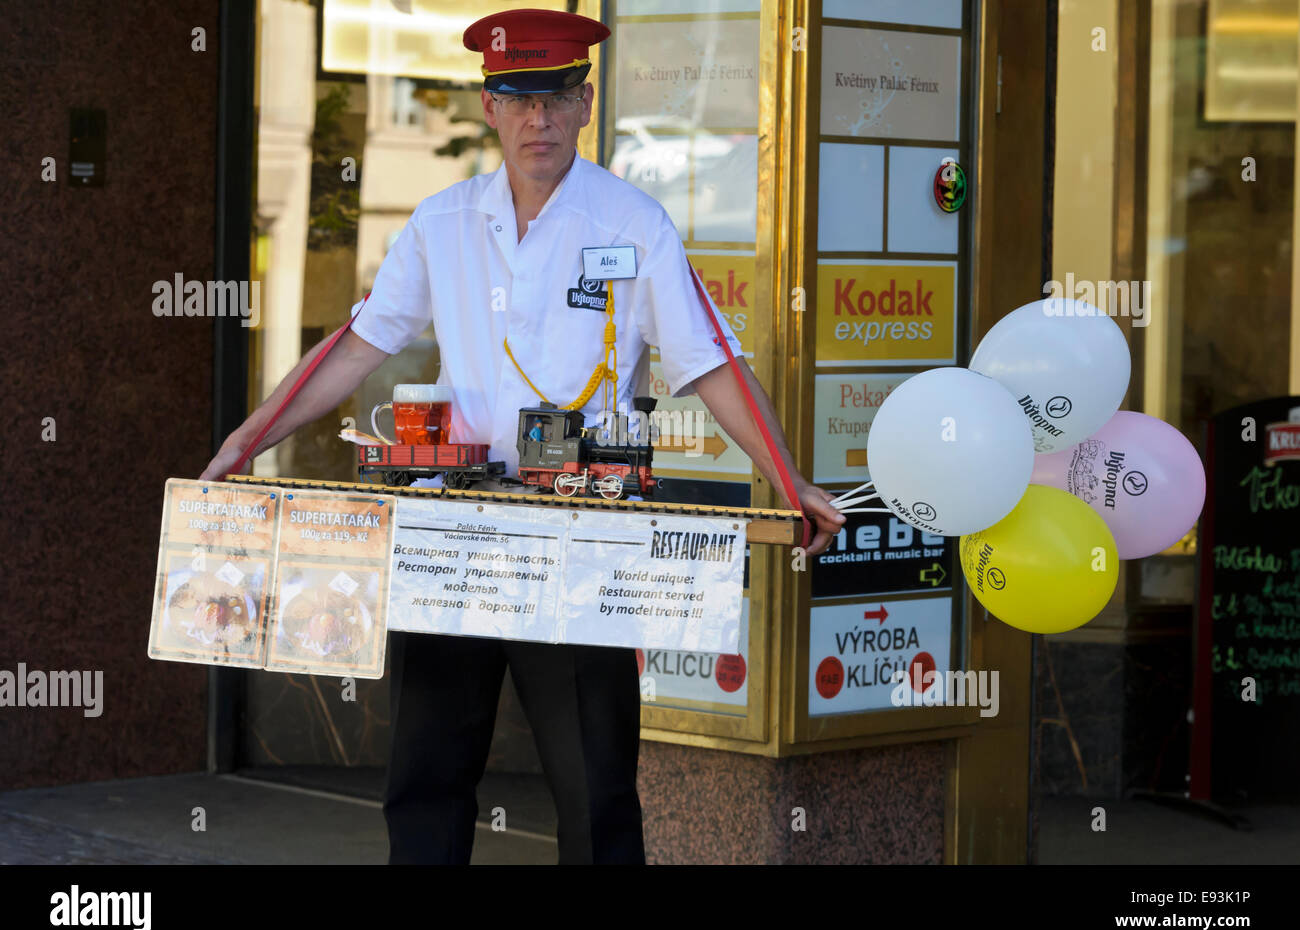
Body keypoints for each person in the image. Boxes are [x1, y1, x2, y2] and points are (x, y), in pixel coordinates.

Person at [201, 8, 844, 864]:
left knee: (597, 791)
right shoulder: (441, 222)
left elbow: (710, 361)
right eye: (516, 97)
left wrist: (787, 477)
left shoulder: (632, 222)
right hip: (456, 534)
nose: (536, 119)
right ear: (489, 108)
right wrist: (249, 438)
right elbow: (357, 345)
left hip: (581, 535)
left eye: (553, 97)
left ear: (584, 104)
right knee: (426, 779)